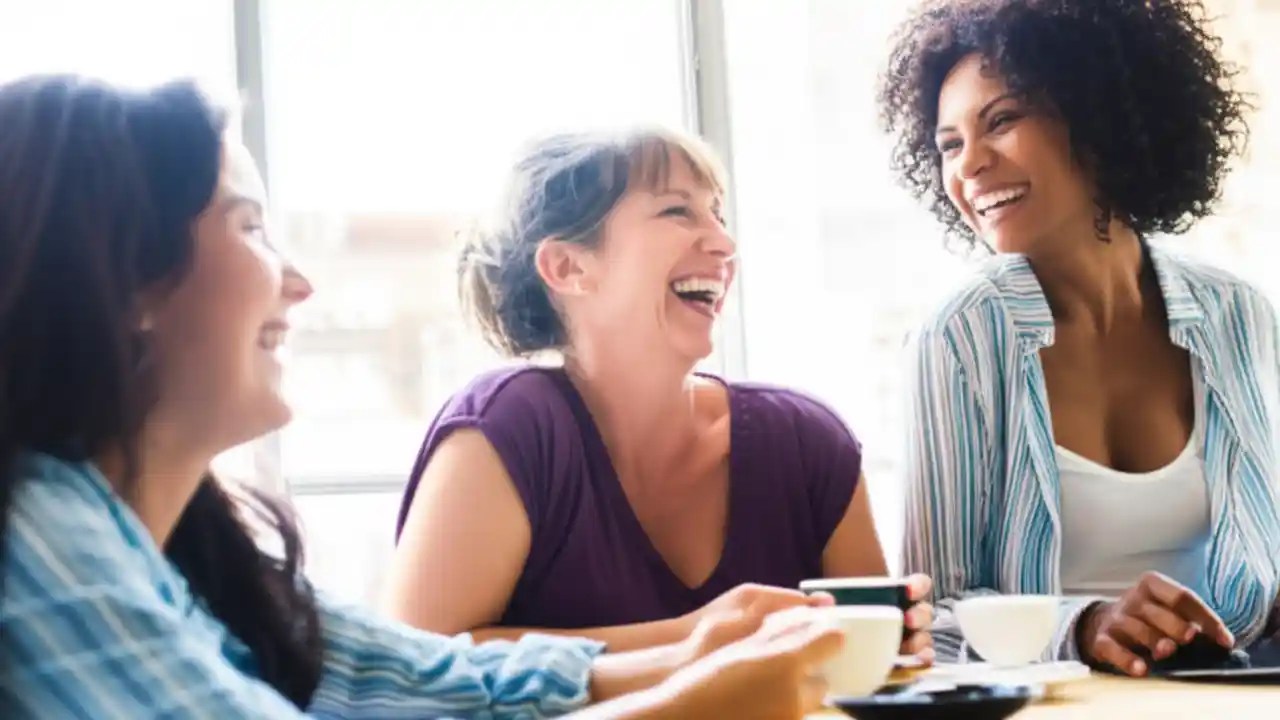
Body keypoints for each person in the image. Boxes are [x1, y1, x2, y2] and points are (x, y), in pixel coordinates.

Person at [0, 74, 849, 719]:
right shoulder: (32, 537)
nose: (297, 282)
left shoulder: (192, 555)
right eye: (249, 225)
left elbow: (423, 678)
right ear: (123, 274)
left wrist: (700, 647)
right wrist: (691, 700)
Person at [381, 128, 934, 661]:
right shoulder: (508, 430)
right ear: (568, 267)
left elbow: (870, 668)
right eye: (677, 211)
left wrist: (892, 644)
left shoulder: (805, 442)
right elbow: (417, 666)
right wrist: (696, 637)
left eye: (717, 214)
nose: (724, 243)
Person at [878, 0, 1280, 676]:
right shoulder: (961, 336)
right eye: (949, 144)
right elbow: (930, 615)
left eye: (1001, 120)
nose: (969, 165)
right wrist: (1085, 623)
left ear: (1096, 118)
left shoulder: (1237, 313)